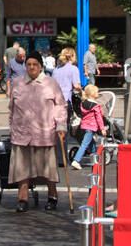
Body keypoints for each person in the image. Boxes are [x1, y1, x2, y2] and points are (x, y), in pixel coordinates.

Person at [9, 54, 65, 212]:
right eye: (28, 64)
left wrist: (61, 125)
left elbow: (60, 105)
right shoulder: (17, 83)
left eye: (35, 64)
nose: (31, 67)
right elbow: (11, 108)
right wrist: (12, 126)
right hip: (22, 133)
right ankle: (22, 199)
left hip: (44, 131)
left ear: (40, 66)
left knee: (48, 169)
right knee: (22, 169)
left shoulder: (51, 83)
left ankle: (52, 196)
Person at [69, 83, 106, 170]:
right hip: (91, 127)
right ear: (93, 94)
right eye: (97, 92)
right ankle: (76, 160)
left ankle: (95, 157)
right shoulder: (95, 106)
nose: (98, 93)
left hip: (84, 125)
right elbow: (99, 118)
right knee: (85, 144)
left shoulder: (83, 103)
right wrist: (102, 128)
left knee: (91, 143)